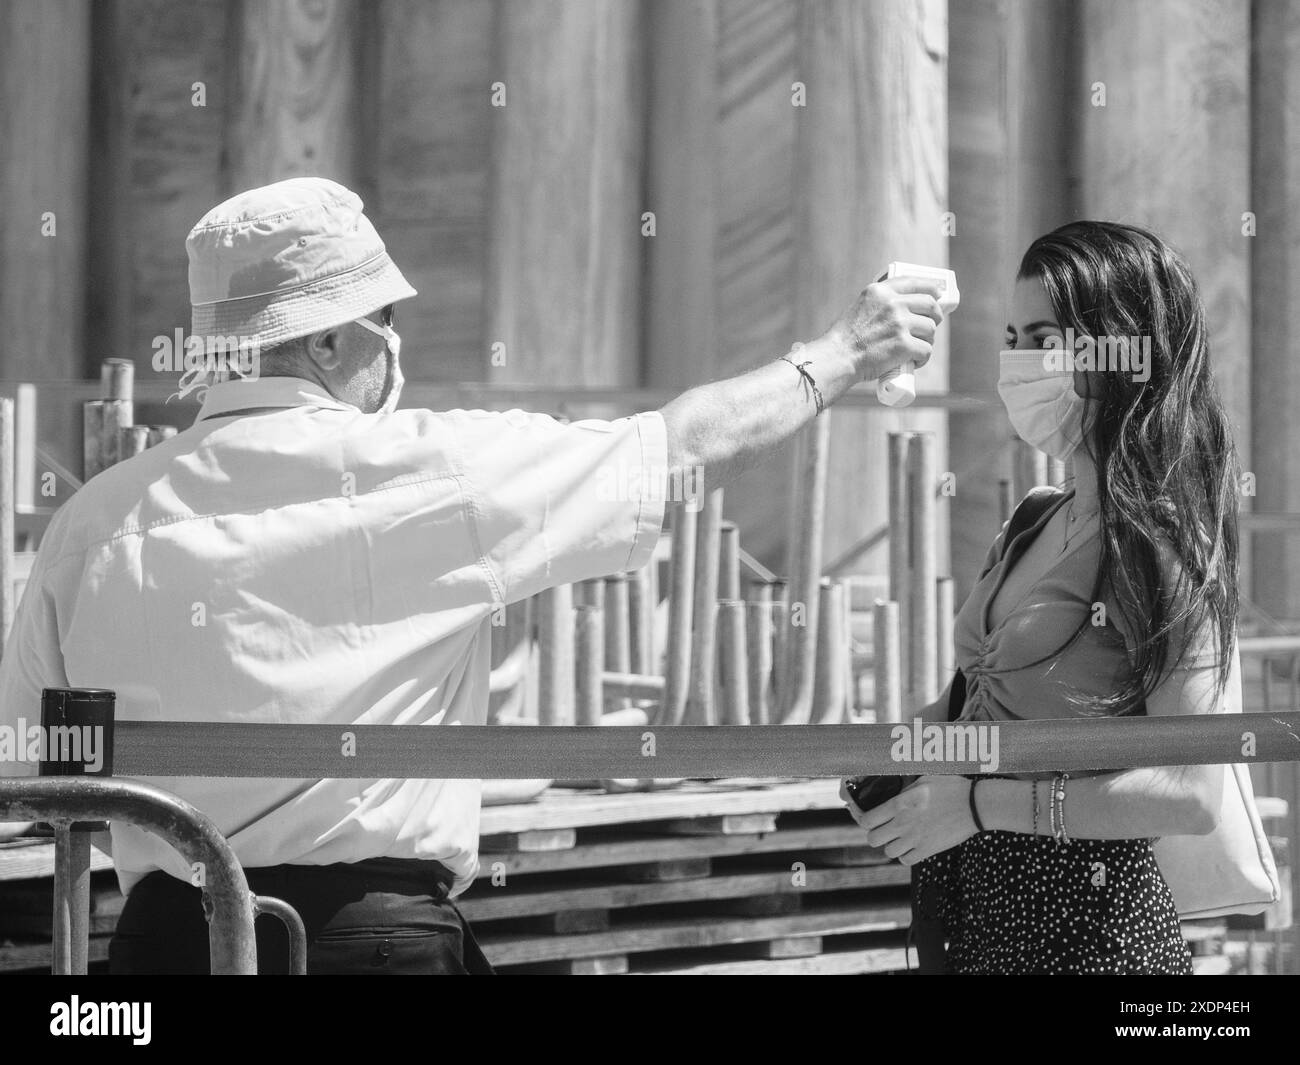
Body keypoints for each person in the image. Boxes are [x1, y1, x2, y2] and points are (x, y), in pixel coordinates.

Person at [0, 176, 944, 973]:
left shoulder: (90, 522)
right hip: (371, 941)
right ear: (328, 341)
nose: (394, 342)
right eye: (383, 319)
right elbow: (681, 451)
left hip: (164, 945)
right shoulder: (432, 472)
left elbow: (35, 766)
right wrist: (842, 354)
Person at [845, 220, 1239, 975]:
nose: (1017, 361)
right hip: (980, 927)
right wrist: (891, 751)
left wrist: (977, 807)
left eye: (1043, 338)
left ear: (1117, 351)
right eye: (1012, 335)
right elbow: (979, 705)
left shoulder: (1158, 546)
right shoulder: (1034, 516)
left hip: (1096, 942)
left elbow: (1191, 794)